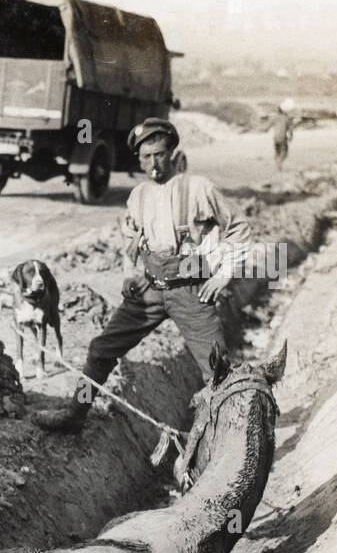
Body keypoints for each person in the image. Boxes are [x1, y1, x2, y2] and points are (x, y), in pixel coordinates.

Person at [35, 118, 250, 433]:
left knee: (217, 370)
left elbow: (239, 227)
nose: (153, 163)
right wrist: (127, 273)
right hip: (149, 289)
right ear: (138, 159)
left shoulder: (199, 188)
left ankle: (231, 435)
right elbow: (130, 239)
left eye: (159, 155)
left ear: (173, 153)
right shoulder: (138, 195)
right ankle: (75, 413)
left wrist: (223, 275)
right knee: (99, 351)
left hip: (192, 291)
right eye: (146, 157)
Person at [272, 100, 295, 169]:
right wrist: (291, 137)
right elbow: (290, 129)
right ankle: (279, 163)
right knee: (284, 152)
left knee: (277, 152)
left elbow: (267, 126)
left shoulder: (275, 117)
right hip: (283, 138)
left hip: (276, 138)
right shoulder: (287, 118)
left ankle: (277, 163)